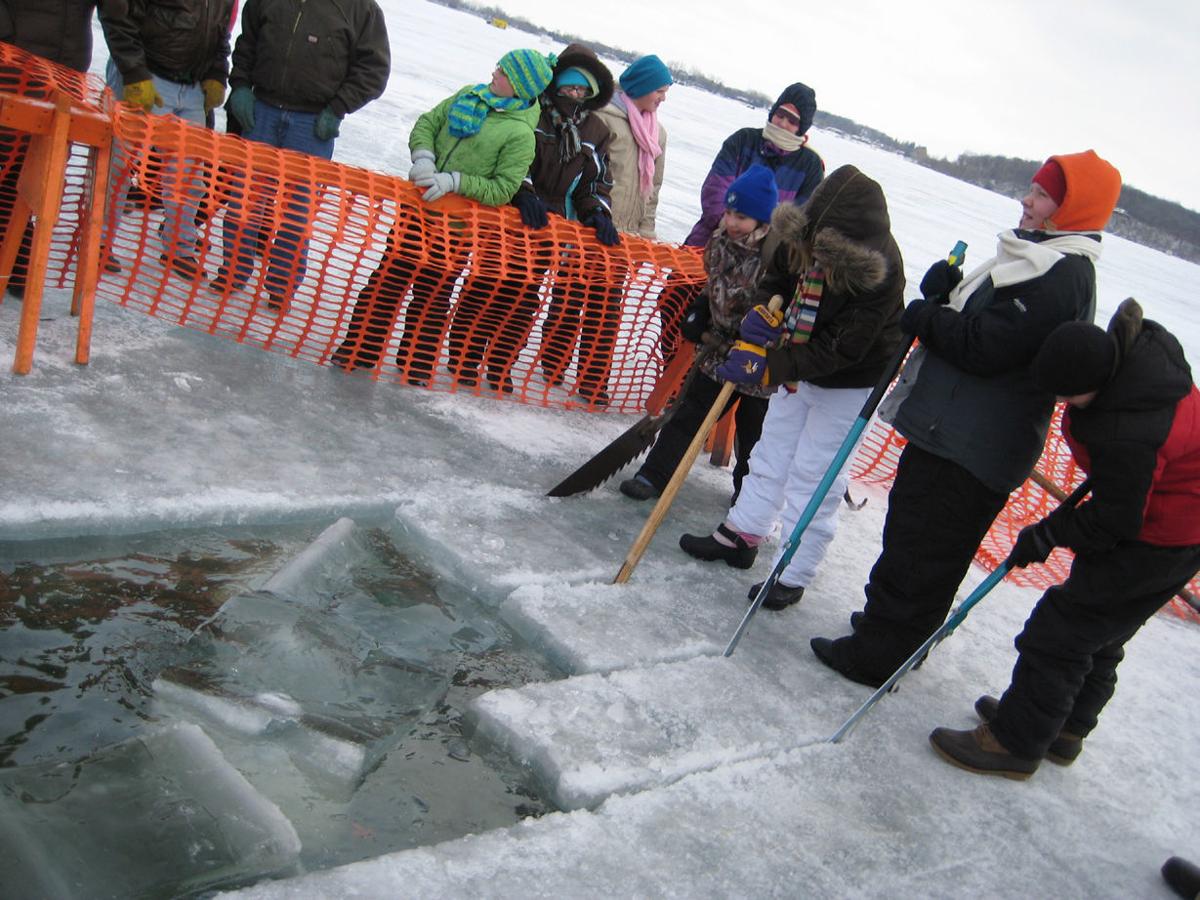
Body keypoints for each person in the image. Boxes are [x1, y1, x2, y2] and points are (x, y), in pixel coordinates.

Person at [810, 150, 1123, 687]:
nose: (1028, 200)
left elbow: (988, 346)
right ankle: (897, 633)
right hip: (957, 433)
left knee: (922, 548)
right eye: (1033, 189)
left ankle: (879, 654)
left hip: (972, 445)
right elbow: (984, 323)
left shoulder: (1061, 275)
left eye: (1044, 195)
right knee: (919, 541)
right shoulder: (1036, 258)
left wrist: (925, 315)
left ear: (1074, 209)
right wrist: (944, 294)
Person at [928, 299, 1200, 779]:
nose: (1060, 406)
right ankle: (1062, 727)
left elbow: (1116, 520)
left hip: (1164, 536)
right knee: (1099, 631)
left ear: (1095, 386)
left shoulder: (1129, 430)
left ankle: (1015, 742)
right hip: (1168, 519)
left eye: (1067, 398)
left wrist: (1050, 534)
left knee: (1063, 631)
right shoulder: (1135, 370)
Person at [678, 164, 905, 611]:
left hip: (848, 381)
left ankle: (792, 571)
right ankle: (742, 534)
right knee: (771, 451)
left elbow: (846, 348)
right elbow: (777, 279)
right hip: (794, 358)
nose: (810, 255)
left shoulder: (880, 273)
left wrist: (770, 367)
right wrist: (762, 315)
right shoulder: (801, 236)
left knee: (813, 475)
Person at [330, 49, 555, 382]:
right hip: (415, 215)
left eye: (504, 72)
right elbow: (428, 123)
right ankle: (359, 351)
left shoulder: (520, 135)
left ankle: (416, 367)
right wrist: (424, 158)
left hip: (457, 231)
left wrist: (455, 181)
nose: (495, 73)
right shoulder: (469, 95)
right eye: (499, 67)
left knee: (432, 298)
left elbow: (503, 189)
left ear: (521, 85)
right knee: (384, 284)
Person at [441, 43, 616, 394]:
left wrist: (597, 210)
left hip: (552, 229)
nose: (574, 94)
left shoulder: (596, 130)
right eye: (569, 86)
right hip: (510, 217)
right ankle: (464, 358)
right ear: (555, 84)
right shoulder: (531, 112)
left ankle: (501, 365)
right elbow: (512, 157)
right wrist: (522, 192)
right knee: (486, 285)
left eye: (582, 89)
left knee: (524, 299)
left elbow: (595, 180)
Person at [212, 0, 391, 310]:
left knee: (296, 215)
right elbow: (248, 42)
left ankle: (282, 286)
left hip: (311, 125)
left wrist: (338, 108)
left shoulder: (362, 9)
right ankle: (233, 271)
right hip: (262, 112)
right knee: (245, 201)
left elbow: (374, 70)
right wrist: (240, 85)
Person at [619, 164, 779, 502]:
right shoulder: (720, 241)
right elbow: (714, 282)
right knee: (688, 415)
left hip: (758, 360)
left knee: (755, 437)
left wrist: (763, 341)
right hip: (720, 350)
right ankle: (654, 475)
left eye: (743, 217)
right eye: (731, 212)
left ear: (762, 221)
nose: (733, 222)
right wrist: (701, 307)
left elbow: (782, 307)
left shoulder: (774, 258)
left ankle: (749, 499)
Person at [98, 0, 236, 278]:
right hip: (147, 74)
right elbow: (118, 15)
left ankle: (179, 246)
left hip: (192, 87)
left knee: (189, 176)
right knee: (118, 165)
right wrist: (134, 72)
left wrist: (216, 74)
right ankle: (97, 241)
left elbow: (218, 34)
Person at [0, 0, 99, 299]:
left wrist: (134, 67)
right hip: (16, 63)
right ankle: (13, 257)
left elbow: (116, 11)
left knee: (39, 172)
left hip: (65, 74)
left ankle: (15, 256)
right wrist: (7, 36)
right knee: (7, 161)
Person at [683, 82, 824, 248]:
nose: (783, 123)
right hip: (709, 241)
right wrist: (729, 224)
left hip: (763, 258)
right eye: (780, 114)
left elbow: (800, 216)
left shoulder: (810, 165)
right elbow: (715, 188)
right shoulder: (744, 140)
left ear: (802, 128)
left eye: (792, 121)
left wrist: (763, 239)